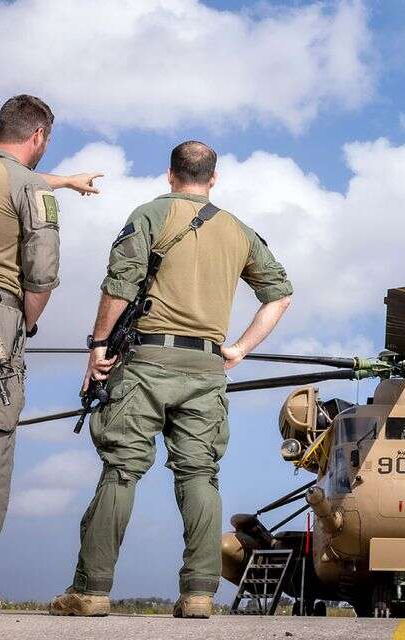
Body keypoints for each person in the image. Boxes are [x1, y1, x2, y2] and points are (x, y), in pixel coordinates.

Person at [49, 140, 292, 619]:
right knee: (200, 477)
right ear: (214, 178)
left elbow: (119, 285)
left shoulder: (148, 215)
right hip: (206, 368)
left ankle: (92, 591)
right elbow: (280, 294)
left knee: (121, 471)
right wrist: (239, 348)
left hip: (145, 362)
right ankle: (200, 594)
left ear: (170, 175)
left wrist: (99, 345)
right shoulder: (237, 229)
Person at [0, 94, 102, 616]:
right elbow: (42, 275)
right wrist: (26, 322)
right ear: (40, 135)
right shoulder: (31, 191)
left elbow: (13, 182)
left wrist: (64, 180)